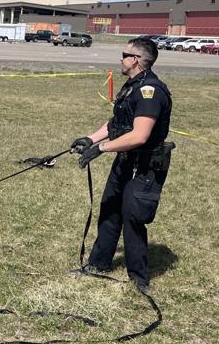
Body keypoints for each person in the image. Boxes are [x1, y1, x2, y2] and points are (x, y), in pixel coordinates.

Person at [70, 37, 173, 294]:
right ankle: (98, 264)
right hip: (125, 160)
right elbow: (117, 123)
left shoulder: (151, 91)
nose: (121, 58)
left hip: (145, 166)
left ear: (135, 60)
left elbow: (140, 136)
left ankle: (139, 280)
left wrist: (101, 149)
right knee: (109, 211)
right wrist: (90, 139)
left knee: (133, 218)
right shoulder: (132, 86)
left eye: (124, 54)